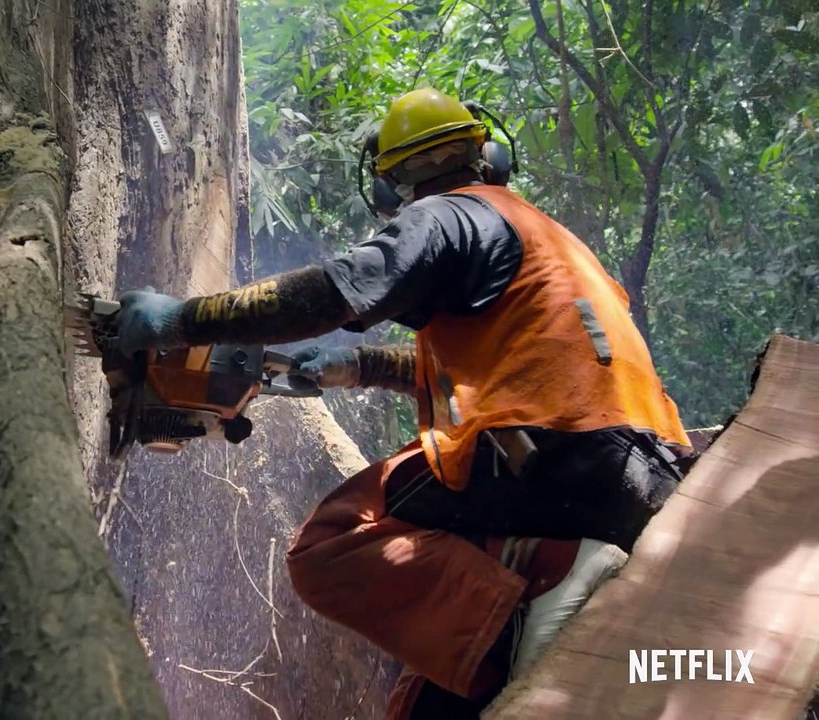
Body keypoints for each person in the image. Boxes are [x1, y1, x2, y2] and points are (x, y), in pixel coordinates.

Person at [111, 87, 692, 719]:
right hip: (650, 474)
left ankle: (551, 570)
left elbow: (335, 292)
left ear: (392, 184)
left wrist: (181, 320)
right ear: (487, 154)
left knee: (331, 542)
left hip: (558, 460)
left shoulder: (447, 215)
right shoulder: (547, 238)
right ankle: (518, 636)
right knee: (433, 698)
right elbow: (474, 366)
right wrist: (353, 368)